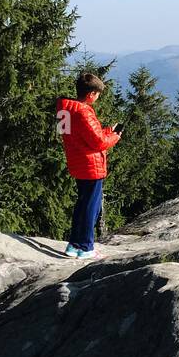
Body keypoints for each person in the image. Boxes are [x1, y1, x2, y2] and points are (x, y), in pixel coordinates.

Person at [56, 72, 122, 258]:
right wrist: (115, 136)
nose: (98, 98)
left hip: (76, 162)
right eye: (98, 95)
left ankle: (74, 245)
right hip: (91, 166)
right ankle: (85, 247)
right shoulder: (84, 111)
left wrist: (107, 131)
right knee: (91, 206)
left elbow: (74, 135)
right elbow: (99, 143)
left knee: (82, 204)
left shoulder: (63, 109)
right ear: (91, 94)